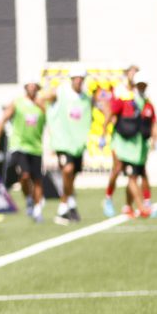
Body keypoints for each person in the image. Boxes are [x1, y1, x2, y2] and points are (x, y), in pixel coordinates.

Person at [43, 68, 97, 224]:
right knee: (67, 170)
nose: (78, 80)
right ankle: (63, 207)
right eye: (75, 78)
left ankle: (71, 205)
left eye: (81, 78)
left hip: (78, 145)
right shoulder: (61, 93)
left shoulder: (86, 98)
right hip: (62, 142)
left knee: (72, 175)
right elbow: (44, 98)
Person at [103, 78, 157, 219]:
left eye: (143, 85)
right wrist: (103, 134)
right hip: (123, 146)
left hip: (138, 148)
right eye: (139, 85)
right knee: (121, 171)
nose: (141, 88)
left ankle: (129, 206)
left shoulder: (147, 104)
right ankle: (110, 199)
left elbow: (153, 123)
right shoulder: (125, 100)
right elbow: (111, 114)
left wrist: (156, 140)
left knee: (139, 174)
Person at [3, 81, 47, 222]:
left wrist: (42, 106)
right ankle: (29, 198)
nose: (32, 88)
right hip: (20, 146)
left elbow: (51, 119)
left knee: (37, 180)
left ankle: (38, 210)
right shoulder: (18, 103)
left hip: (36, 147)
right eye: (30, 85)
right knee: (25, 176)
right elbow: (4, 118)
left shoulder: (42, 105)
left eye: (34, 86)